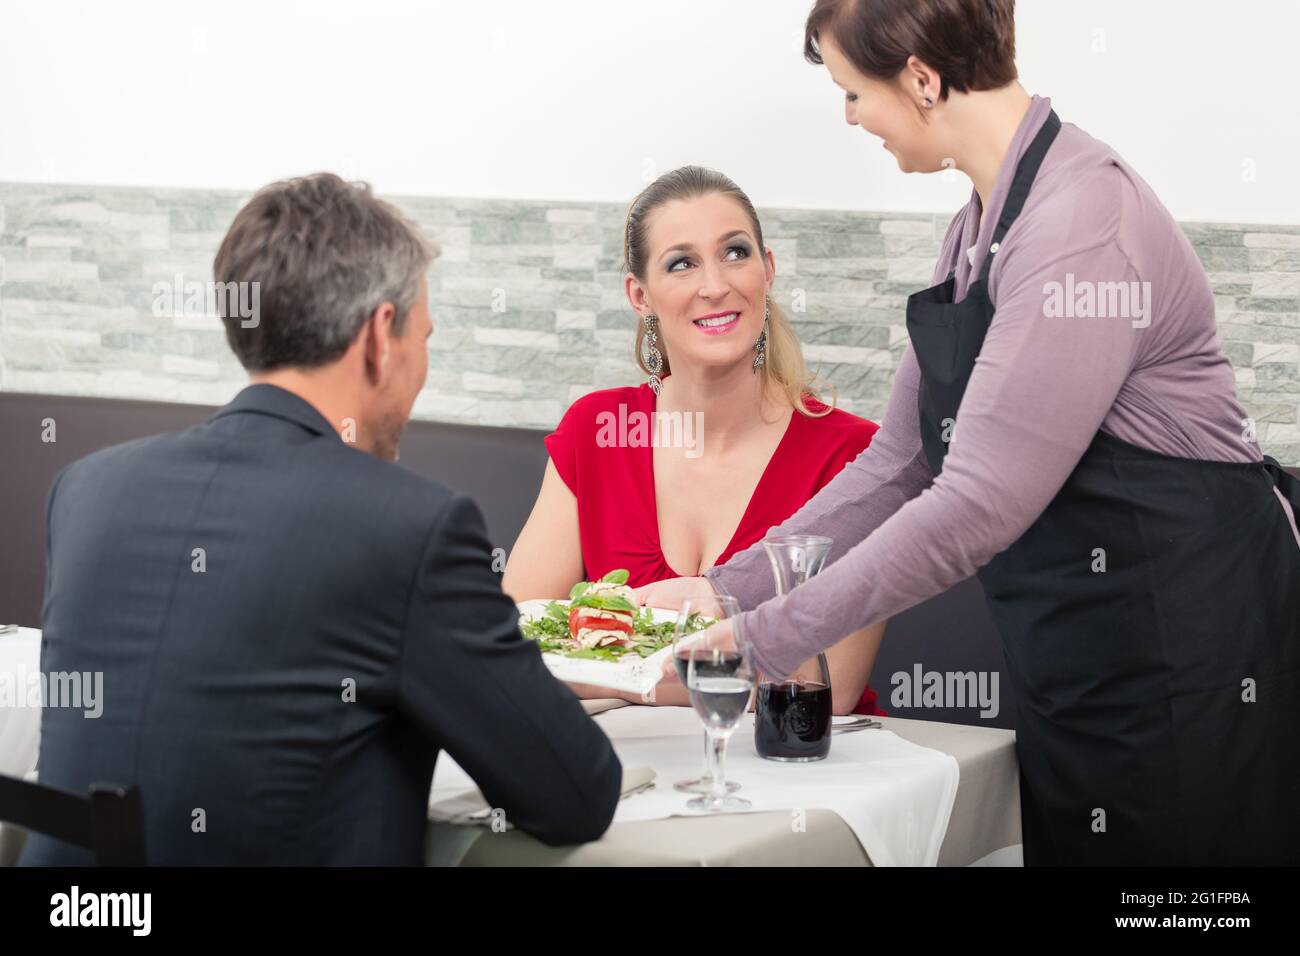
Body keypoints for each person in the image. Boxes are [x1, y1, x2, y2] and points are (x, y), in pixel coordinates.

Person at [648, 0, 1300, 865]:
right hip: (1082, 664)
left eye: (852, 93)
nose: (852, 119)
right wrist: (727, 592)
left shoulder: (1081, 226)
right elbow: (905, 462)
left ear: (921, 78)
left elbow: (976, 505)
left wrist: (762, 642)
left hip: (1185, 660)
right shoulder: (979, 226)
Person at [21, 172, 622, 866]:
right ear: (380, 337)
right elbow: (576, 793)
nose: (422, 367)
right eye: (424, 337)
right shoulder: (412, 528)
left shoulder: (87, 490)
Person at [505, 166, 887, 715]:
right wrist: (722, 675)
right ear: (640, 295)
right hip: (635, 771)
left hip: (804, 769)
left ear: (768, 269)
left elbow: (828, 686)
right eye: (681, 263)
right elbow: (514, 640)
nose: (715, 285)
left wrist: (607, 672)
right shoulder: (598, 433)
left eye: (735, 253)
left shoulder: (853, 457)